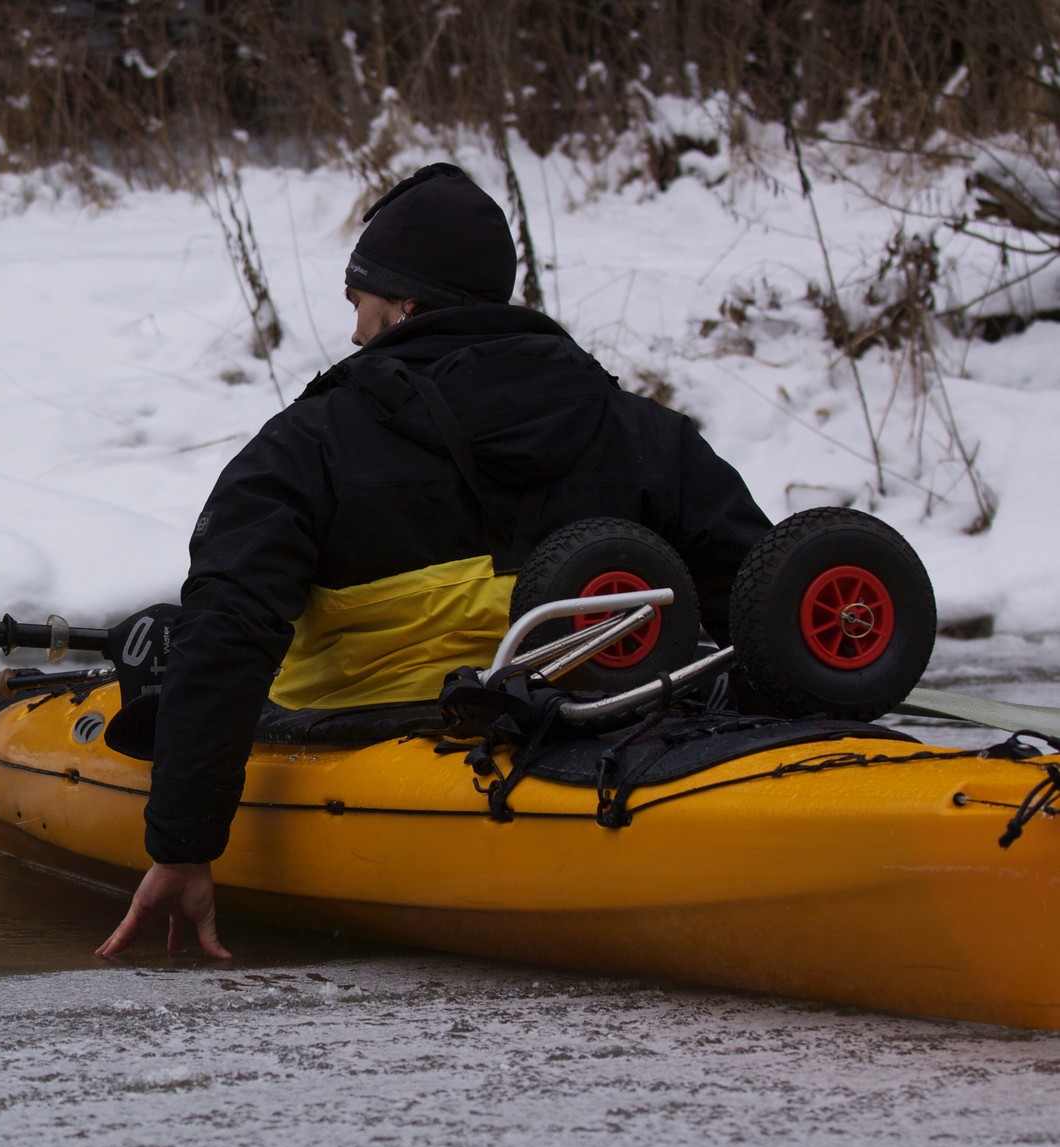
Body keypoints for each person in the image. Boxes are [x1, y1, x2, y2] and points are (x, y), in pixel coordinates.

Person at [96, 164, 771, 961]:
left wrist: (183, 845)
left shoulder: (308, 444)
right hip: (610, 728)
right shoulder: (641, 430)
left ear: (406, 304)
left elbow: (229, 633)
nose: (353, 333)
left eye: (360, 303)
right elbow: (765, 596)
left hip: (369, 735)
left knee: (164, 643)